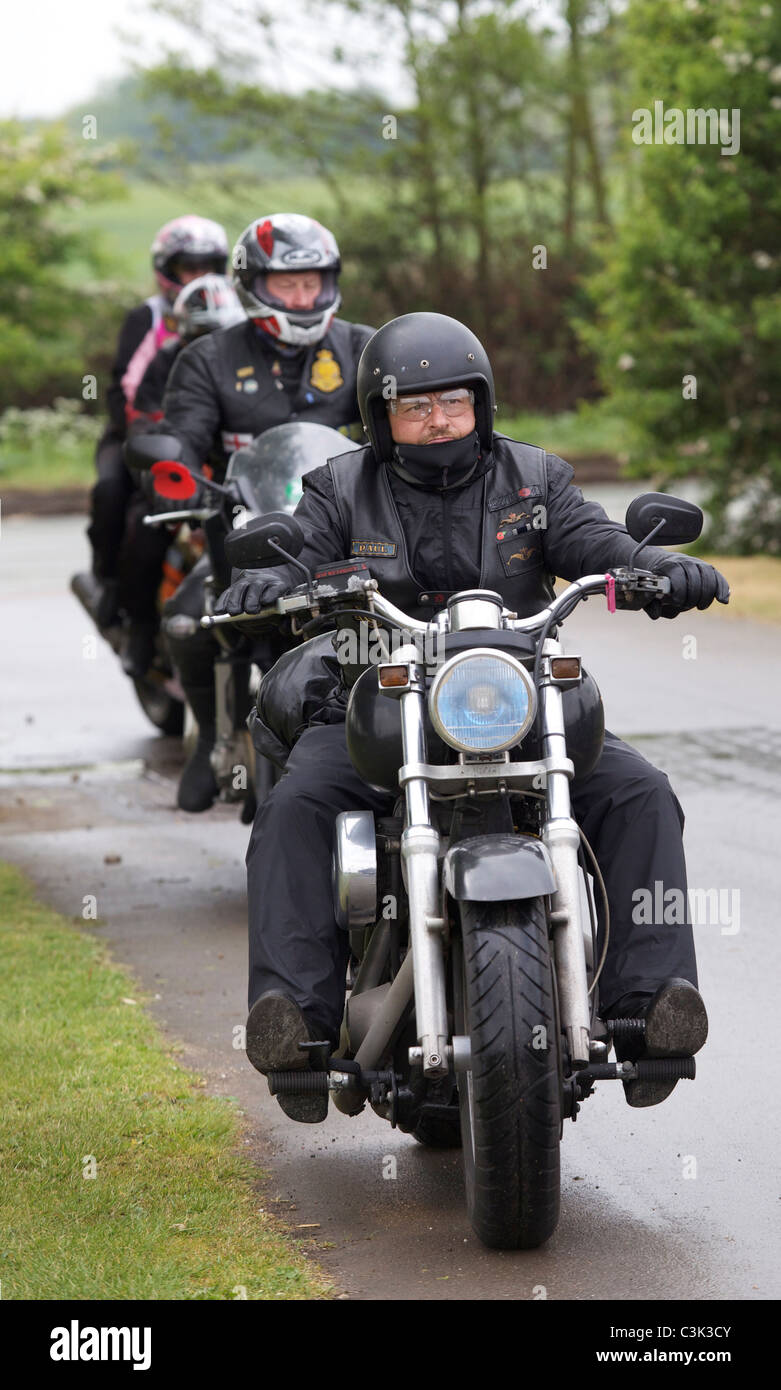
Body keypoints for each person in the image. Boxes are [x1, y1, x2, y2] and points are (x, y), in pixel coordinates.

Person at [217, 311, 729, 1124]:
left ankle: (647, 1006)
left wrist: (652, 567)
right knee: (294, 807)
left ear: (480, 405)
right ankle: (298, 1022)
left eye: (452, 402)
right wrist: (265, 578)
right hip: (379, 702)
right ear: (380, 419)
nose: (436, 420)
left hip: (514, 696)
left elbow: (596, 542)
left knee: (638, 791)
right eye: (414, 408)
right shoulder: (339, 486)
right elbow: (298, 548)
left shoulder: (533, 479)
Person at [160, 212, 374, 813]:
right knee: (185, 623)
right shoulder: (208, 358)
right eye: (288, 285)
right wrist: (171, 478)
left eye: (314, 283)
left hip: (344, 538)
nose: (304, 297)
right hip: (244, 535)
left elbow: (405, 423)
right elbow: (181, 438)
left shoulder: (362, 346)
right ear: (253, 284)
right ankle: (211, 740)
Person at [87, 216, 230, 670]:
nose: (199, 276)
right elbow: (127, 396)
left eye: (208, 266)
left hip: (211, 447)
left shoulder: (236, 326)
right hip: (141, 432)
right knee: (124, 504)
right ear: (167, 269)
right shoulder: (149, 322)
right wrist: (152, 447)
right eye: (189, 267)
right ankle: (129, 613)